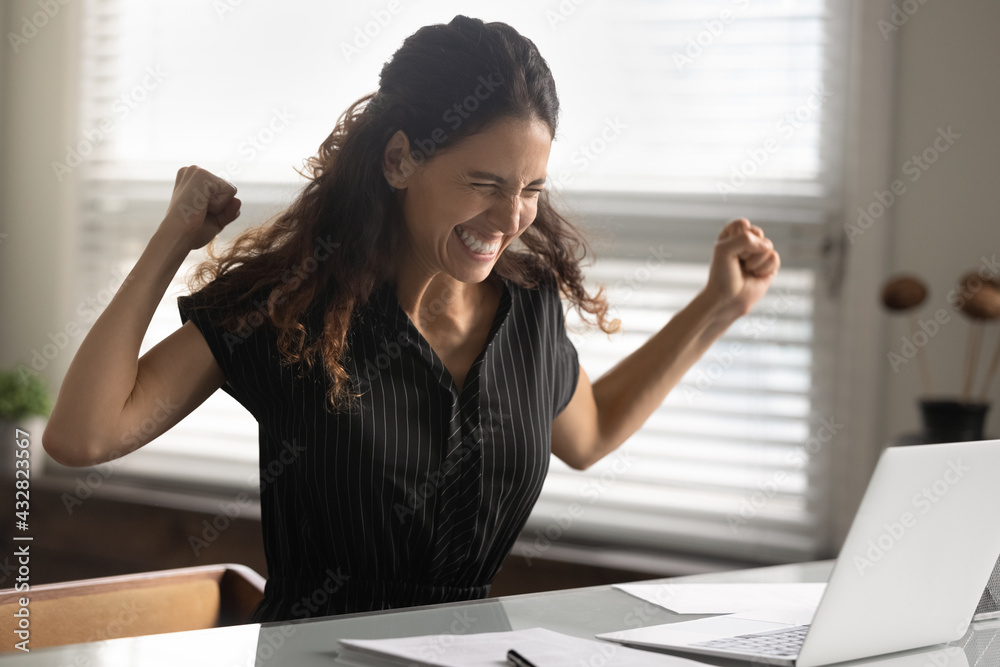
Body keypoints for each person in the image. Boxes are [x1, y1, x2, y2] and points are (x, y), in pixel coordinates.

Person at [42, 15, 780, 623]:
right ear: (399, 160)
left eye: (529, 188)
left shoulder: (526, 313)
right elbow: (84, 433)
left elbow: (588, 435)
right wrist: (174, 237)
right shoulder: (292, 305)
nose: (510, 217)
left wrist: (718, 308)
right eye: (484, 183)